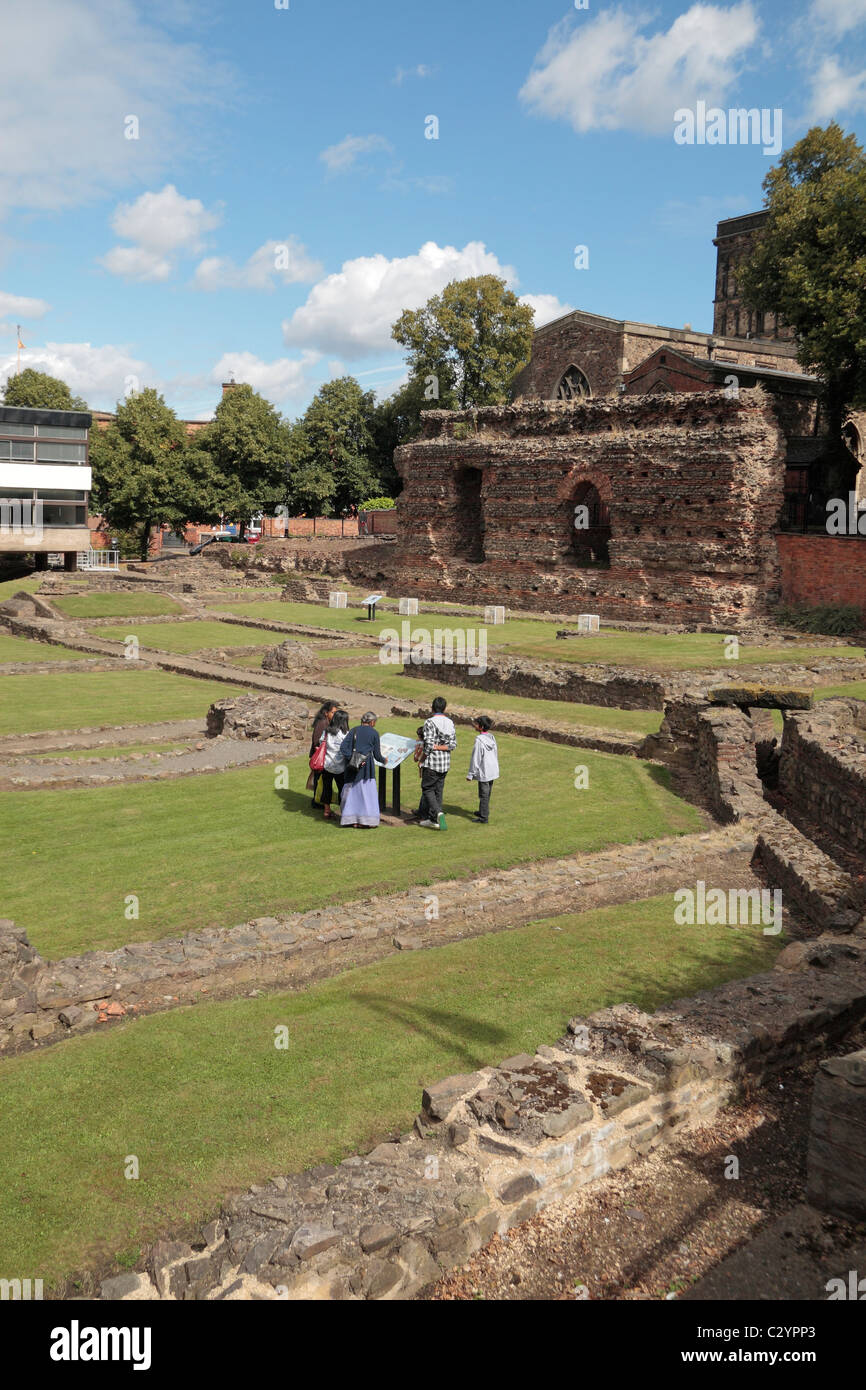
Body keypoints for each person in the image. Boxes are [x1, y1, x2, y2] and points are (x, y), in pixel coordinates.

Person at [417, 696, 457, 830]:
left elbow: (428, 745)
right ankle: (433, 819)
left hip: (433, 763)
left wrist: (422, 760)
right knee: (438, 791)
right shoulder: (450, 722)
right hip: (445, 763)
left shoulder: (430, 722)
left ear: (432, 708)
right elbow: (452, 744)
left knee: (427, 788)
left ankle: (438, 813)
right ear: (444, 708)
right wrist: (440, 747)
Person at [339, 711, 383, 827]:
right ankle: (366, 821)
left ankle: (351, 819)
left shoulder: (354, 730)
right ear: (372, 722)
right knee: (367, 794)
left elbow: (343, 747)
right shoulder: (374, 733)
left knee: (352, 793)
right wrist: (384, 760)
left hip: (353, 767)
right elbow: (377, 755)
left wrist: (352, 758)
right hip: (366, 767)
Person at [466, 715, 500, 824]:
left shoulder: (479, 740)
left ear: (481, 727)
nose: (474, 725)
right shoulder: (491, 737)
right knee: (487, 793)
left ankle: (484, 817)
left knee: (483, 794)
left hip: (485, 770)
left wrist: (470, 774)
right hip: (492, 769)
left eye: (476, 724)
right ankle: (482, 811)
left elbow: (476, 758)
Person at [320, 708, 349, 820]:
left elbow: (321, 742)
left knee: (326, 788)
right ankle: (343, 812)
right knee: (342, 789)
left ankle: (326, 810)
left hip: (327, 764)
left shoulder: (327, 731)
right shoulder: (345, 734)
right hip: (341, 767)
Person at [308, 701, 338, 805]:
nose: (334, 715)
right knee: (318, 780)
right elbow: (316, 741)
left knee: (319, 780)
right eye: (333, 712)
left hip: (320, 756)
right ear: (326, 713)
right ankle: (317, 801)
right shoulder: (322, 723)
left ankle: (319, 800)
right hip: (319, 757)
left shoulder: (325, 722)